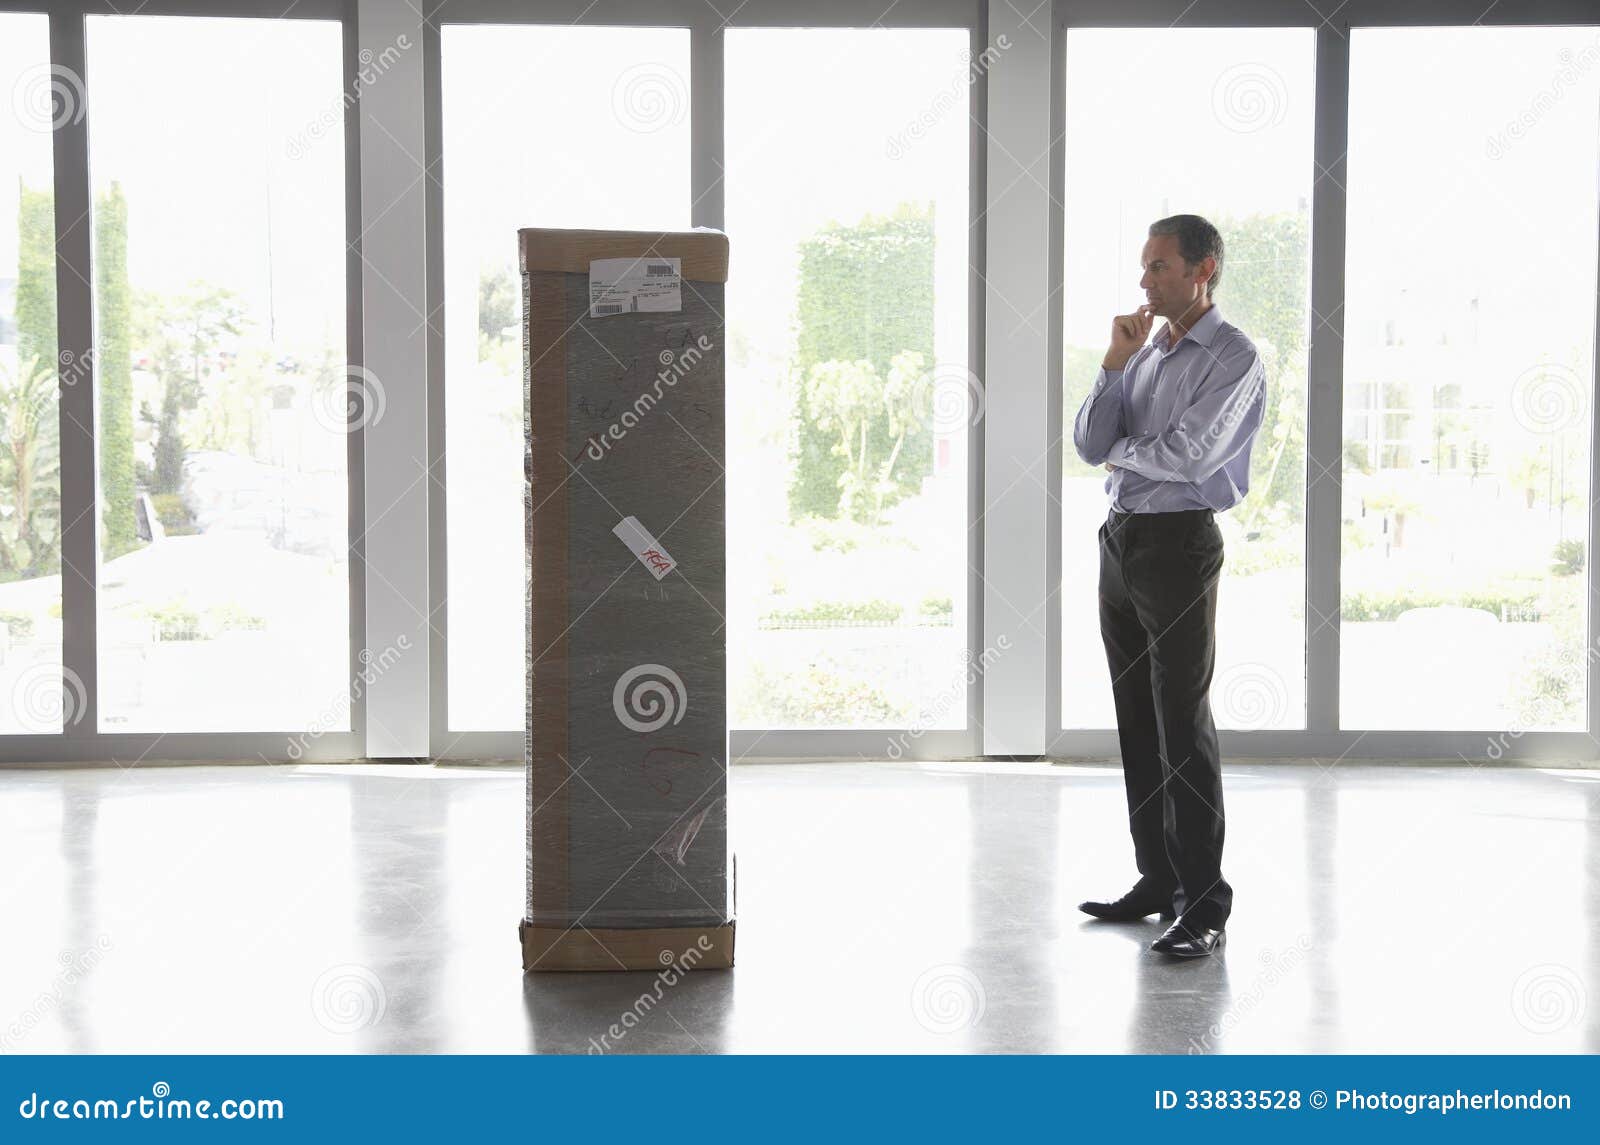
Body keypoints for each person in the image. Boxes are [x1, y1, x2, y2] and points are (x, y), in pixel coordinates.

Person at [1071, 214, 1267, 958]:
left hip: (1179, 544)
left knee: (1181, 722)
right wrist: (1113, 365)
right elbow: (1089, 443)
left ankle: (1205, 903)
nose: (1144, 280)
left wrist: (1123, 452)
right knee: (1137, 717)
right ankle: (1158, 878)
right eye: (1144, 266)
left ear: (1202, 269)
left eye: (1158, 266)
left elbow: (1189, 457)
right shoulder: (1147, 351)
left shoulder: (1233, 356)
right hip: (1120, 542)